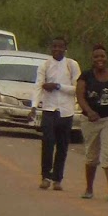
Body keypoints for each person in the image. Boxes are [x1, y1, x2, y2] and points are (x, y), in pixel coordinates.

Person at [77, 44, 108, 203]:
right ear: (92, 59)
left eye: (102, 56)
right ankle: (89, 188)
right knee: (91, 155)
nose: (100, 59)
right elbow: (80, 97)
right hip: (90, 121)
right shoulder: (85, 76)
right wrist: (89, 111)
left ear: (107, 58)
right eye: (96, 56)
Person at [33, 37, 80, 191]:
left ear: (65, 49)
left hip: (66, 111)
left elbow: (77, 88)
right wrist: (34, 106)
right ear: (50, 48)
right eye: (54, 46)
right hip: (49, 109)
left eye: (60, 47)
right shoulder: (45, 65)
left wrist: (58, 86)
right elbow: (38, 86)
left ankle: (57, 179)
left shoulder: (71, 65)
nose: (57, 50)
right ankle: (45, 176)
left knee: (62, 145)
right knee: (48, 142)